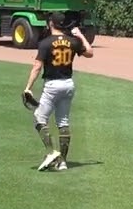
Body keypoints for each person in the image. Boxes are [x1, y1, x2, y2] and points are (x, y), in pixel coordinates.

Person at [24, 12, 94, 171]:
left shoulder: (45, 43)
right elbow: (90, 53)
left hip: (52, 86)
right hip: (68, 84)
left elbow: (37, 66)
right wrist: (80, 35)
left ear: (51, 24)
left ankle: (51, 152)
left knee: (39, 118)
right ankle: (62, 162)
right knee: (63, 122)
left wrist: (28, 87)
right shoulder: (73, 41)